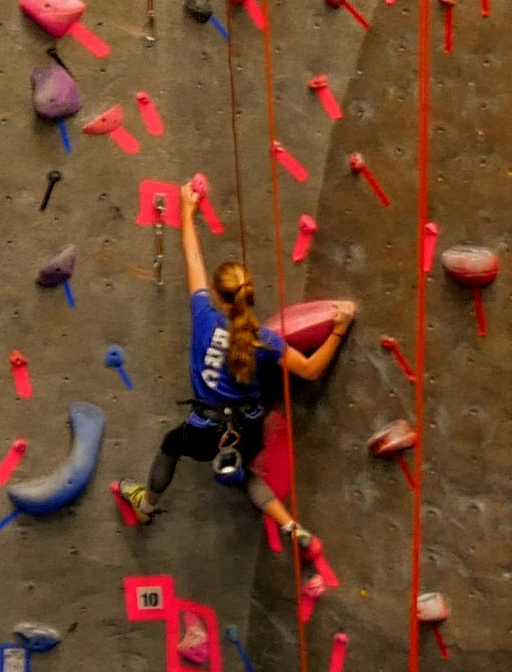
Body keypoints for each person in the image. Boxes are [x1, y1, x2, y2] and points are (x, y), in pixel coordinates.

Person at [127, 188, 355, 560]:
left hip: (203, 432)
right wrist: (339, 330)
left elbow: (193, 260)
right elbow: (312, 370)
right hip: (248, 430)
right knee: (244, 470)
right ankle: (293, 528)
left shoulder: (204, 318)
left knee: (171, 446)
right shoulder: (266, 342)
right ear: (250, 296)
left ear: (219, 298)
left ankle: (147, 506)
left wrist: (186, 210)